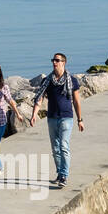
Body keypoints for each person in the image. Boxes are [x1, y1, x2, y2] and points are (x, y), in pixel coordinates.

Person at [29, 53, 83, 189]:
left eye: (57, 60)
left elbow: (76, 101)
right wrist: (34, 114)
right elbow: (39, 98)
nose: (54, 62)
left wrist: (80, 120)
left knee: (64, 146)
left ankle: (64, 175)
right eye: (53, 60)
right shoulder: (47, 81)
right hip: (52, 117)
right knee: (55, 148)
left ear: (63, 63)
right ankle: (60, 173)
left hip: (66, 117)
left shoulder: (72, 80)